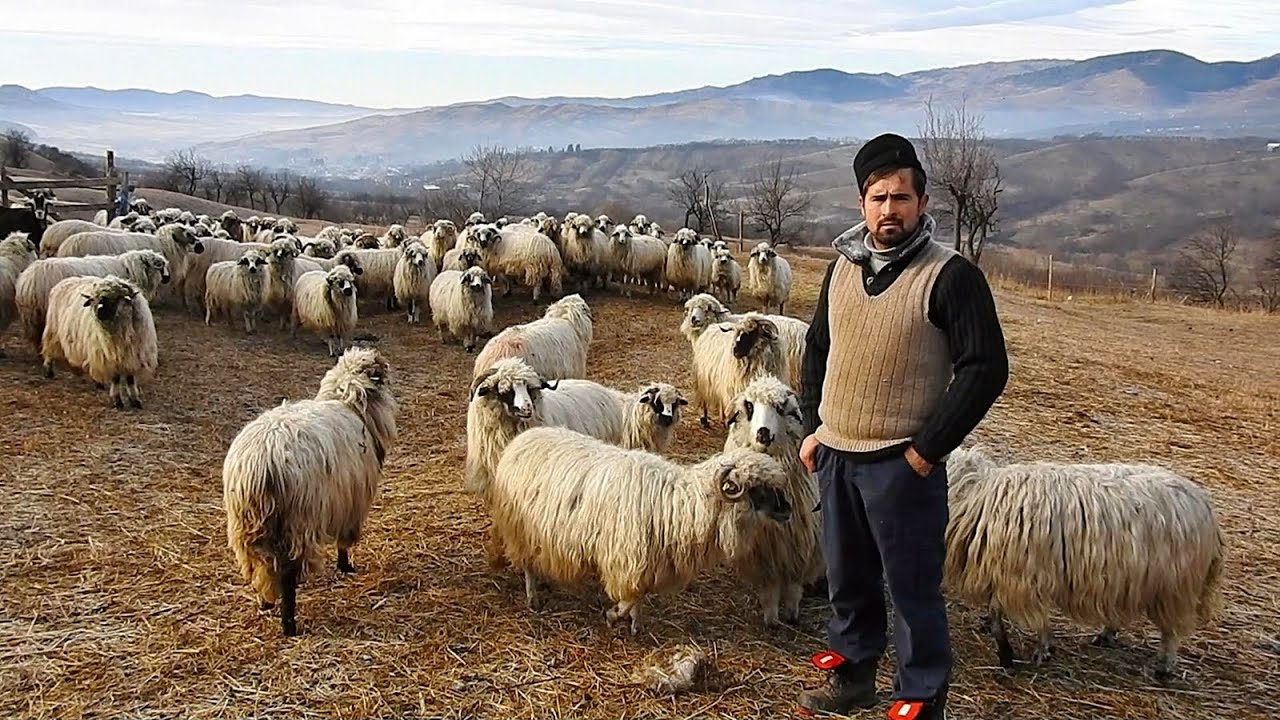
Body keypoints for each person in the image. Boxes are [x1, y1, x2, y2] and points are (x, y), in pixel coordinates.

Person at [796, 133, 1009, 720]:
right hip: (837, 455)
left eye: (901, 198)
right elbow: (818, 348)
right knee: (848, 577)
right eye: (878, 197)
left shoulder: (950, 277)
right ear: (861, 203)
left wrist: (926, 449)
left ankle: (920, 696)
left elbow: (985, 367)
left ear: (921, 202)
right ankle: (854, 673)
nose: (889, 210)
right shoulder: (840, 270)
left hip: (899, 460)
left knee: (912, 588)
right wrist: (814, 428)